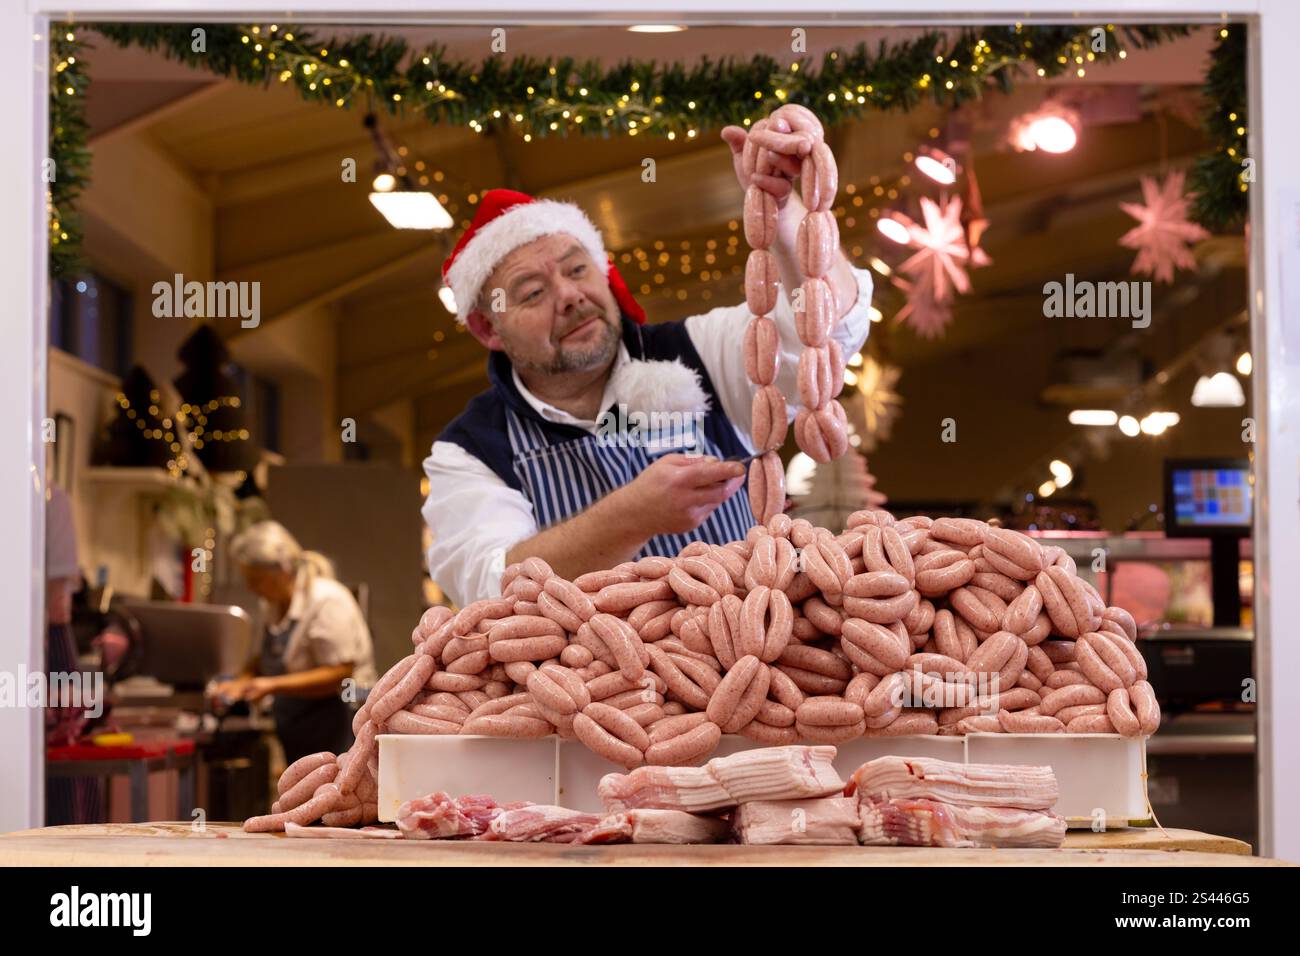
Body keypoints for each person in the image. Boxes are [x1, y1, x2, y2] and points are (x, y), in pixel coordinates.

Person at [423, 120, 874, 606]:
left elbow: (829, 331)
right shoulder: (470, 450)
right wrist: (631, 516)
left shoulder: (696, 351)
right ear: (489, 329)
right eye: (533, 292)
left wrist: (783, 211)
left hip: (747, 666)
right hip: (591, 681)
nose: (570, 296)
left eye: (578, 270)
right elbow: (490, 586)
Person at [214, 521, 376, 764]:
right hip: (299, 719)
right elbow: (269, 656)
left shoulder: (326, 600)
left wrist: (270, 685)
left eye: (256, 580)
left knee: (335, 793)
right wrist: (242, 680)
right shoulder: (272, 604)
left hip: (339, 716)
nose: (250, 588)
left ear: (283, 572)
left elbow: (340, 672)